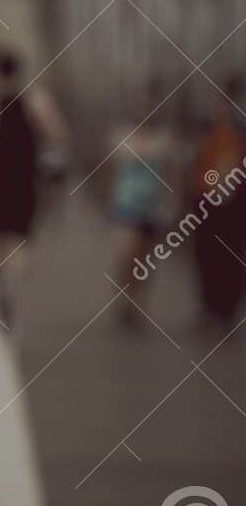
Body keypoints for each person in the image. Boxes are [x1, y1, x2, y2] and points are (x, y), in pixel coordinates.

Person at [0, 51, 70, 332]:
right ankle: (14, 286)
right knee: (21, 242)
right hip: (26, 178)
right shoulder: (37, 101)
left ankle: (2, 292)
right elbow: (57, 135)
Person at [102, 83, 179, 328]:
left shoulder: (164, 141)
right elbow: (108, 172)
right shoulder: (120, 138)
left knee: (145, 260)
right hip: (125, 205)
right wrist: (106, 199)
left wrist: (172, 202)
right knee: (127, 254)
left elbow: (174, 174)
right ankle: (124, 298)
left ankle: (138, 304)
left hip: (152, 206)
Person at [188, 75, 246, 337]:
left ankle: (218, 310)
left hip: (219, 197)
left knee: (215, 255)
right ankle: (218, 309)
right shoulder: (215, 117)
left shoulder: (220, 118)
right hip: (216, 196)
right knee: (218, 255)